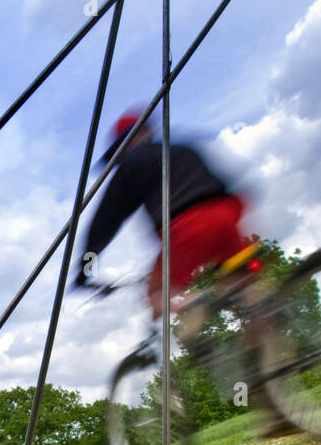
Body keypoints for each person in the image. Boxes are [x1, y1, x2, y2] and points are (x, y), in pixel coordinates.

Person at [75, 108, 255, 325]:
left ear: (126, 143)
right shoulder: (180, 148)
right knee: (247, 286)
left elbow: (101, 228)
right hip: (227, 216)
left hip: (186, 228)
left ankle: (198, 306)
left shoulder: (131, 166)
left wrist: (85, 272)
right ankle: (266, 325)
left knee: (156, 296)